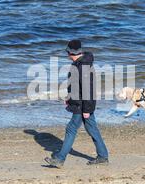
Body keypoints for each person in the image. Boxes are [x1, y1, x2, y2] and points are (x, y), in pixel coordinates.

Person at [44, 39, 109, 168]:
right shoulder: (78, 64)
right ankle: (103, 156)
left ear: (71, 53)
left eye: (67, 52)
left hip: (82, 105)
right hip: (80, 103)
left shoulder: (83, 67)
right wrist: (69, 97)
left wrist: (87, 110)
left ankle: (60, 158)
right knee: (92, 129)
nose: (67, 54)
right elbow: (75, 86)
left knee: (71, 129)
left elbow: (88, 90)